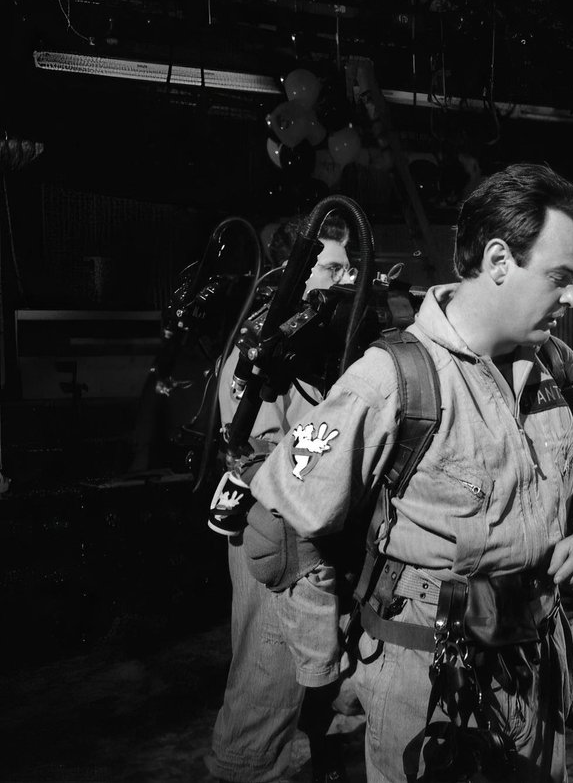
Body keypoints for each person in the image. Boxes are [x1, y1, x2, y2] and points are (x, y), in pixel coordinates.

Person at [249, 163, 573, 783]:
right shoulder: (390, 379)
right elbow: (280, 527)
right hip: (425, 681)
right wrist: (324, 674)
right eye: (561, 278)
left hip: (537, 666)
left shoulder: (562, 368)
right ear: (499, 260)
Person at [206, 212, 355, 783]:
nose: (347, 278)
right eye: (335, 267)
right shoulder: (262, 347)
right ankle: (240, 769)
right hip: (272, 536)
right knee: (267, 677)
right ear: (296, 271)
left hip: (310, 535)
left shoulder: (313, 342)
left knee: (311, 675)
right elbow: (261, 451)